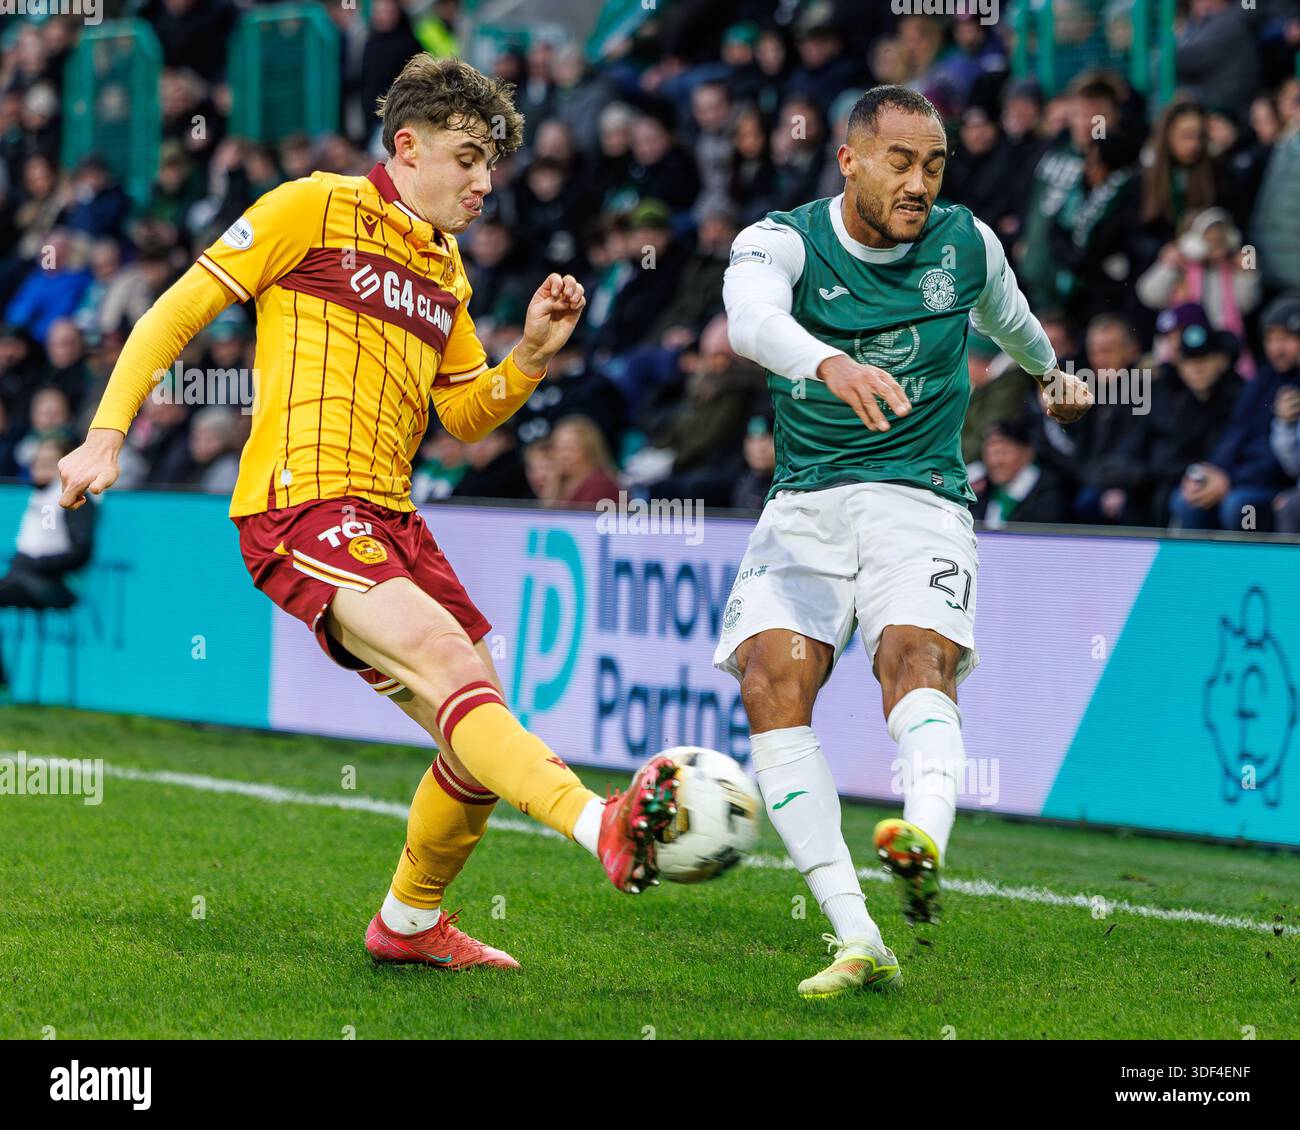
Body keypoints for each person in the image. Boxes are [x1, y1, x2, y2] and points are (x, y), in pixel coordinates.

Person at [57, 55, 685, 975]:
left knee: (477, 725)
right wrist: (105, 433)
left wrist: (533, 357)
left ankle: (408, 921)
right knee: (444, 665)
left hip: (394, 517)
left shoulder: (446, 270)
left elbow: (466, 415)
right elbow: (175, 313)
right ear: (407, 146)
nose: (482, 183)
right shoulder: (307, 207)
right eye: (467, 159)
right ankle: (602, 823)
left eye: (493, 168)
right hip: (301, 501)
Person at [720, 85, 1092, 998]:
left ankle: (922, 837)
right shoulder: (781, 241)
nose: (920, 181)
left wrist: (1050, 372)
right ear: (849, 159)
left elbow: (1008, 315)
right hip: (804, 502)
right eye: (900, 161)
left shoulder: (965, 243)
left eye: (934, 164)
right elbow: (749, 324)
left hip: (918, 496)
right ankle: (858, 937)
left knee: (914, 657)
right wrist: (830, 362)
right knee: (771, 682)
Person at [0, 437, 95, 692]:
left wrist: (35, 563)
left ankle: (2, 683)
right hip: (27, 579)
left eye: (49, 462)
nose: (41, 467)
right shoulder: (37, 497)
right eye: (38, 461)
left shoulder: (77, 498)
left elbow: (80, 553)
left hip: (58, 586)